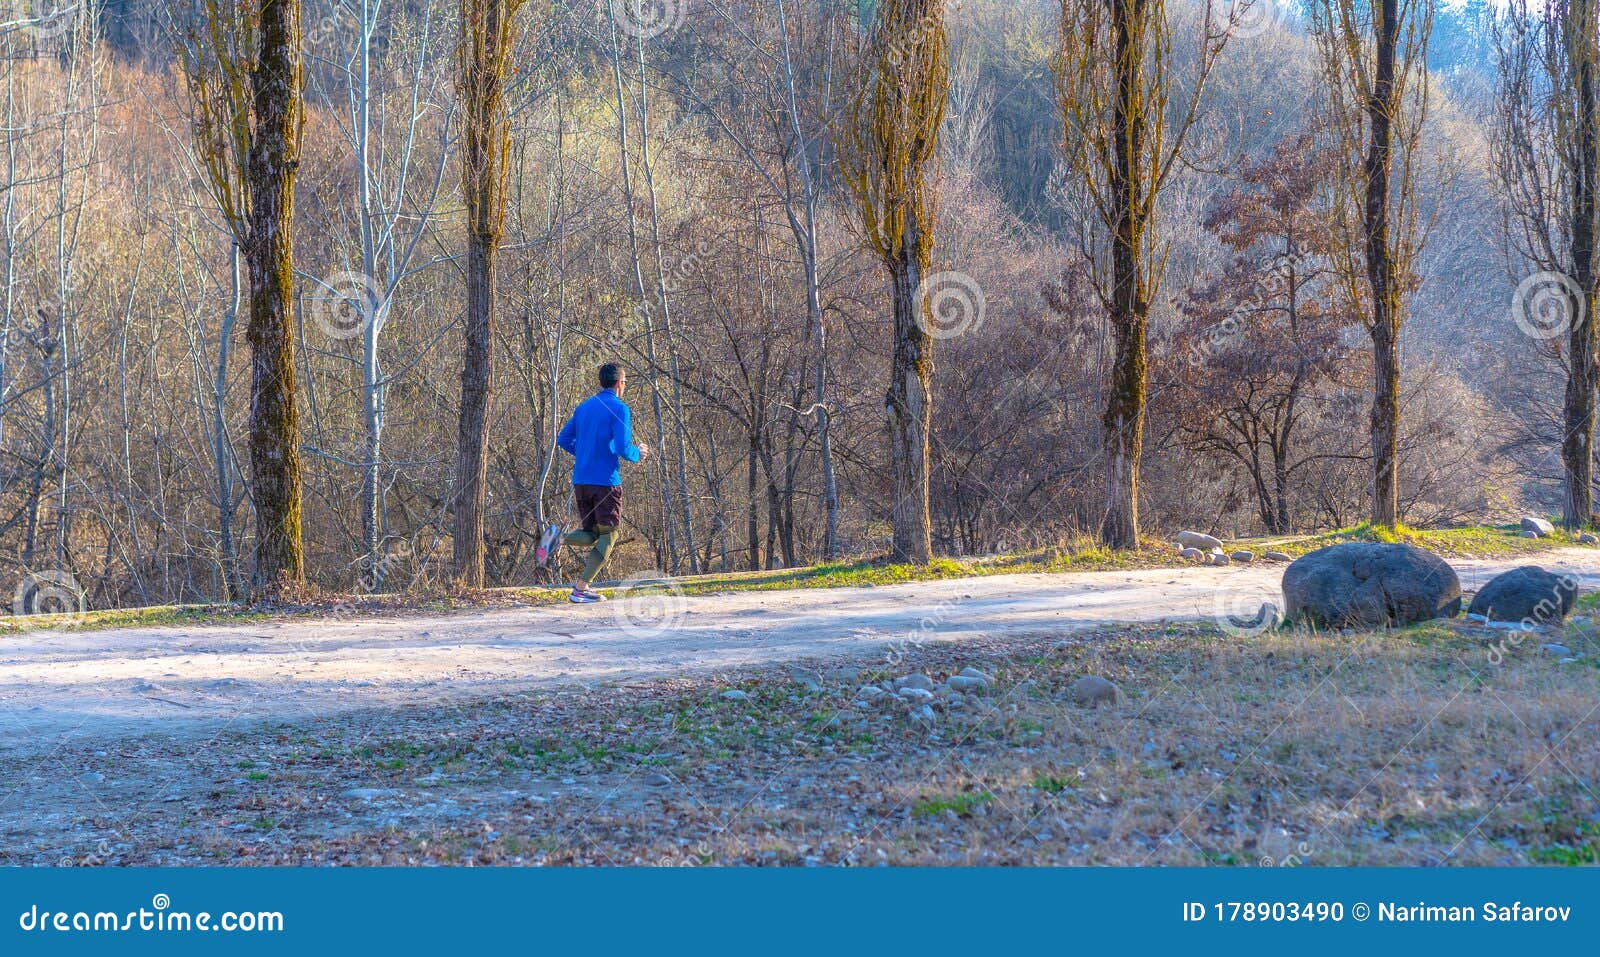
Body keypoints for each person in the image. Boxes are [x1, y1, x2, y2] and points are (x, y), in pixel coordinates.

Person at [546, 363, 649, 603]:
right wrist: (639, 453)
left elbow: (563, 439)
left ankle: (556, 538)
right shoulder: (620, 408)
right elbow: (623, 448)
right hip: (605, 483)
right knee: (609, 536)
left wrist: (586, 454)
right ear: (619, 383)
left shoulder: (583, 407)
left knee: (592, 533)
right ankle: (580, 589)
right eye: (625, 382)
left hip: (581, 480)